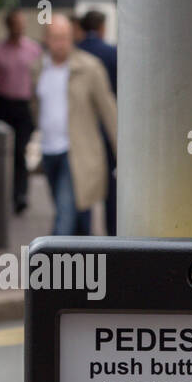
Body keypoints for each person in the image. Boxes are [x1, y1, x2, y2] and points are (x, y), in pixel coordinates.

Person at [33, 16, 117, 237]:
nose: (59, 43)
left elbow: (109, 112)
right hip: (49, 150)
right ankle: (84, 264)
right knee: (77, 216)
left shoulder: (90, 68)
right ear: (45, 39)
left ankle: (53, 267)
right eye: (54, 38)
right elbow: (36, 106)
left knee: (64, 216)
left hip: (78, 153)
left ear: (72, 38)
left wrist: (122, 154)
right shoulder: (38, 68)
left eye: (63, 38)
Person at [0, 9, 42, 215]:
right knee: (2, 152)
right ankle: (1, 195)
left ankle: (20, 195)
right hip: (4, 105)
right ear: (9, 25)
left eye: (22, 23)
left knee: (19, 151)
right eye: (16, 23)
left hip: (25, 107)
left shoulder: (33, 50)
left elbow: (42, 78)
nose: (20, 27)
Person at [76, 9, 118, 236]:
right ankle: (112, 235)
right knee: (112, 186)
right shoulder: (113, 53)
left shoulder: (76, 53)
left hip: (82, 128)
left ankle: (84, 237)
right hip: (108, 126)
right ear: (102, 27)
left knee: (83, 183)